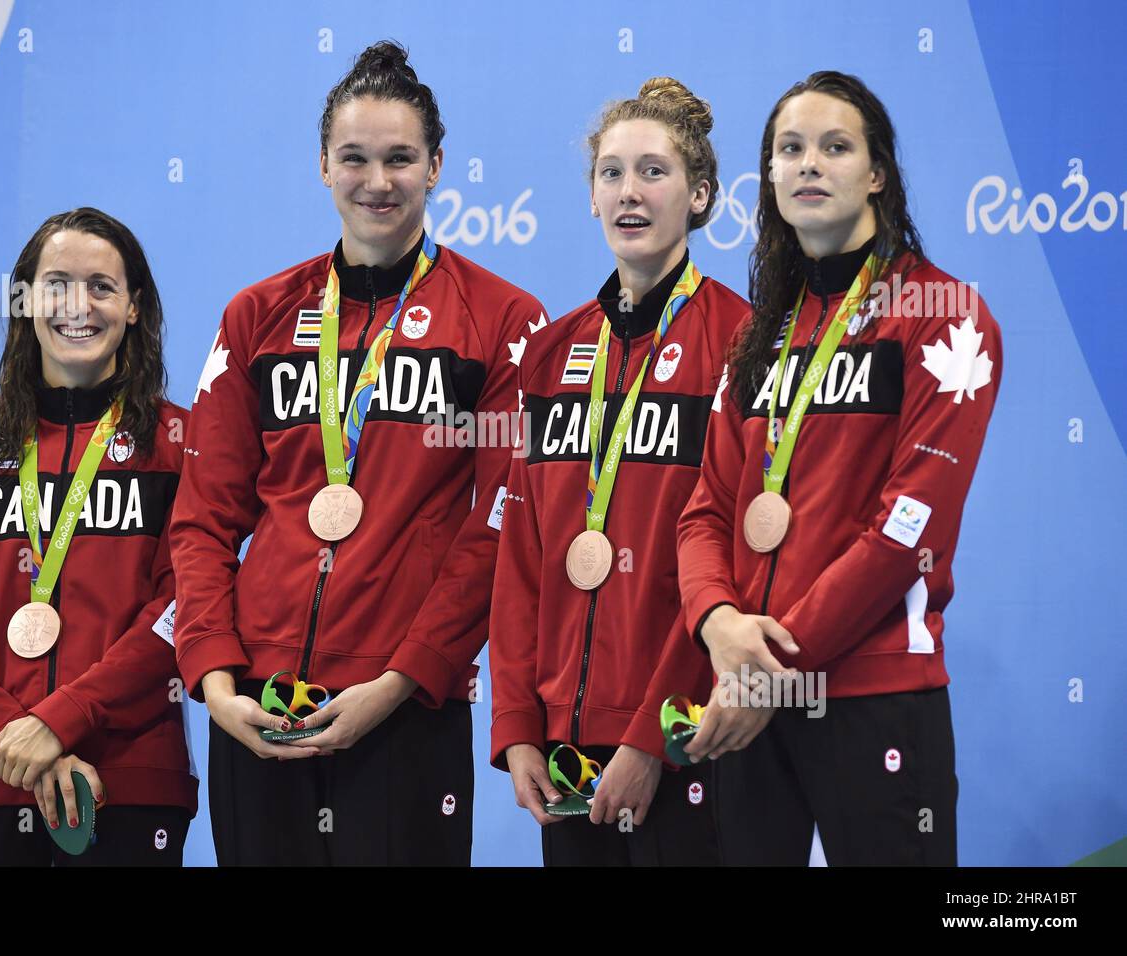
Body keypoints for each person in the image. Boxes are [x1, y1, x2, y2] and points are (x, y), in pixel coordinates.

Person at [170, 40, 546, 866]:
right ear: (322, 166)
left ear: (438, 165)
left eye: (400, 158)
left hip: (403, 707)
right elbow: (202, 517)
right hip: (257, 708)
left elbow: (498, 529)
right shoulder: (257, 316)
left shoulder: (503, 321)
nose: (378, 181)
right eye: (355, 158)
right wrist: (214, 678)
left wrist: (406, 677)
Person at [676, 71, 1002, 865]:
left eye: (835, 147)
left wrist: (770, 673)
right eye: (790, 149)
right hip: (747, 698)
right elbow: (705, 513)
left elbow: (905, 529)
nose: (809, 165)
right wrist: (717, 622)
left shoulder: (946, 316)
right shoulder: (760, 335)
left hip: (874, 696)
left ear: (878, 174)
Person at [489, 78, 745, 866]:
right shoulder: (551, 350)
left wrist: (652, 736)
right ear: (591, 196)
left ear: (701, 195)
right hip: (564, 755)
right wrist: (516, 729)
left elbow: (734, 565)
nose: (628, 193)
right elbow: (521, 553)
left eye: (654, 172)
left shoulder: (743, 342)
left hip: (689, 738)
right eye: (610, 173)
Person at [0, 207, 196, 866]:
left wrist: (60, 722)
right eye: (57, 284)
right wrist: (10, 737)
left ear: (135, 307)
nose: (77, 306)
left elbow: (185, 609)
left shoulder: (183, 449)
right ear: (25, 303)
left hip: (128, 785)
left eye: (101, 286)